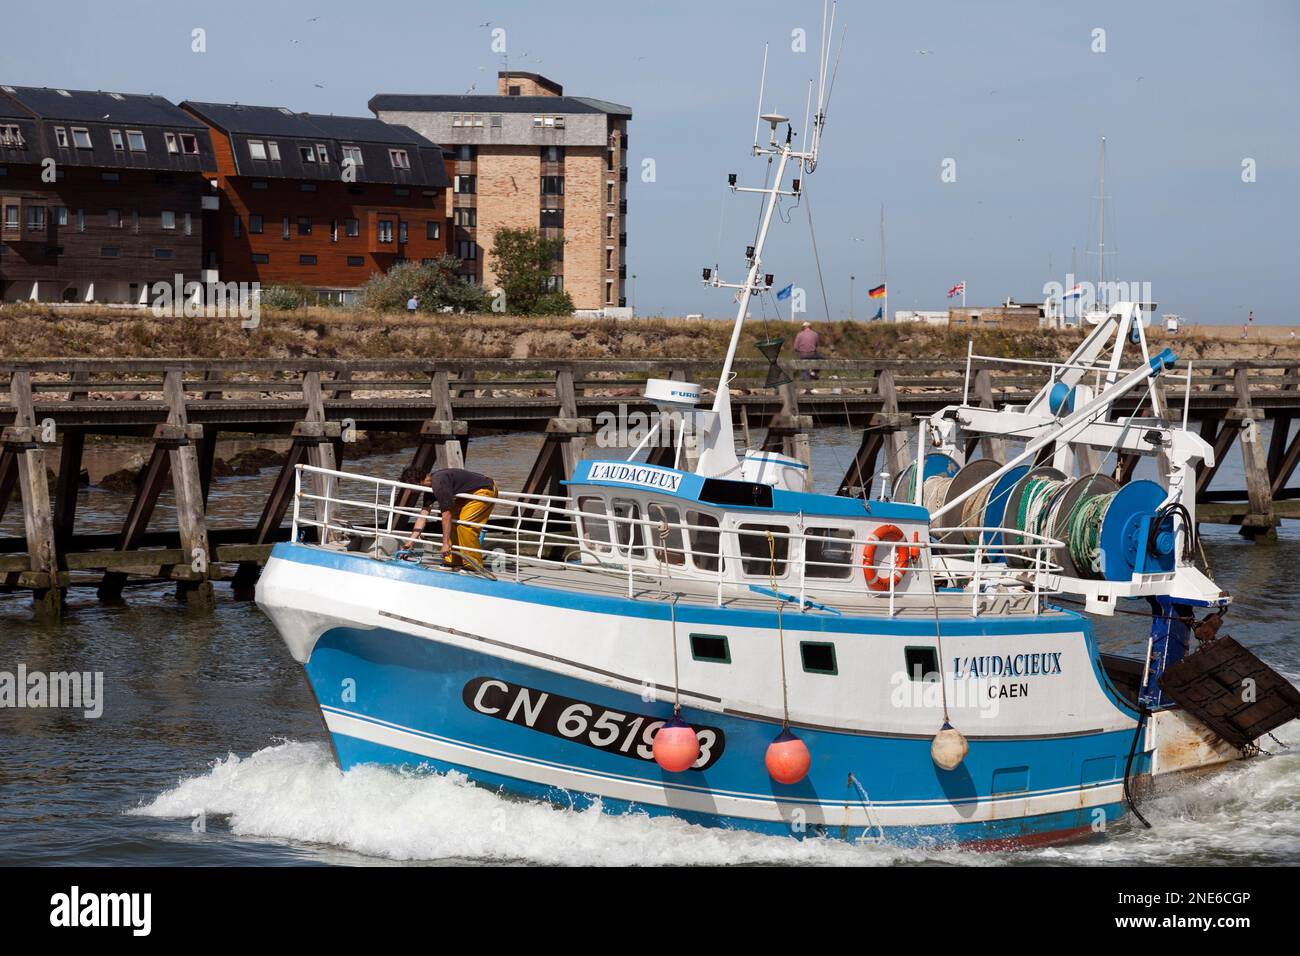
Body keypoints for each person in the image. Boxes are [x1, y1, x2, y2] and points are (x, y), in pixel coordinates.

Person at [400, 465, 497, 569]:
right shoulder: (430, 488)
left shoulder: (439, 484)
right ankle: (454, 560)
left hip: (484, 489)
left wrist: (445, 543)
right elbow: (423, 515)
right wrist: (411, 541)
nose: (409, 491)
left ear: (414, 482)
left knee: (465, 525)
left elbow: (446, 515)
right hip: (466, 494)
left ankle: (473, 564)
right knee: (454, 523)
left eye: (408, 487)